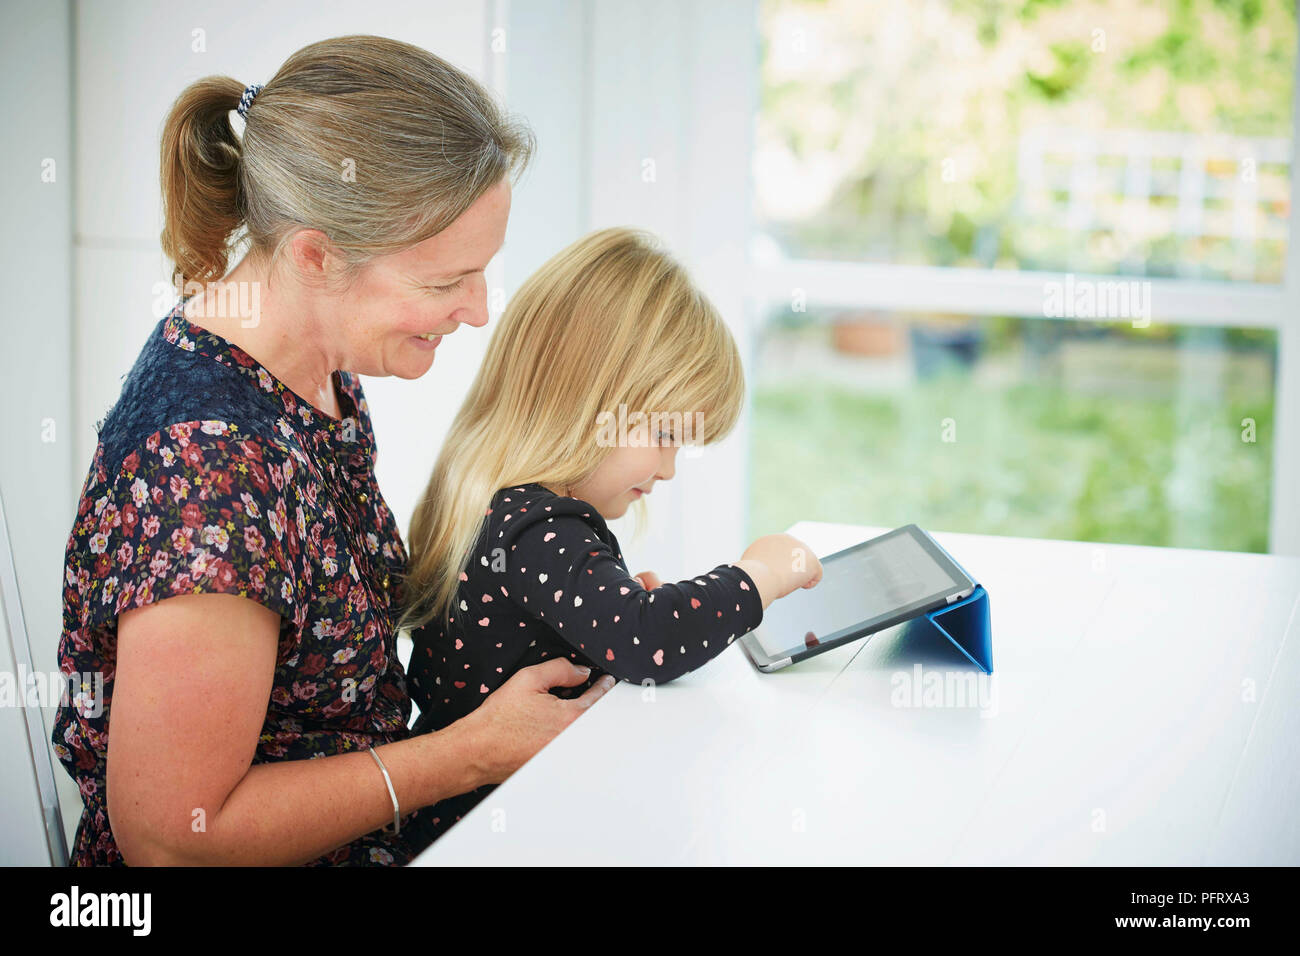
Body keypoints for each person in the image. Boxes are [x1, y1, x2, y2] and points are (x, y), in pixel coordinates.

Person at [50, 34, 613, 867]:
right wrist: (470, 753)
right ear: (316, 256)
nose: (479, 310)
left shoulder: (310, 375)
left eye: (482, 272)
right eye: (442, 281)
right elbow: (173, 839)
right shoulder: (211, 474)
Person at [400, 227, 824, 843]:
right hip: (492, 834)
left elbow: (580, 632)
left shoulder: (492, 499)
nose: (669, 468)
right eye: (665, 437)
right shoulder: (538, 526)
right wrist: (760, 577)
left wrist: (600, 616)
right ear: (588, 403)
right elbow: (648, 637)